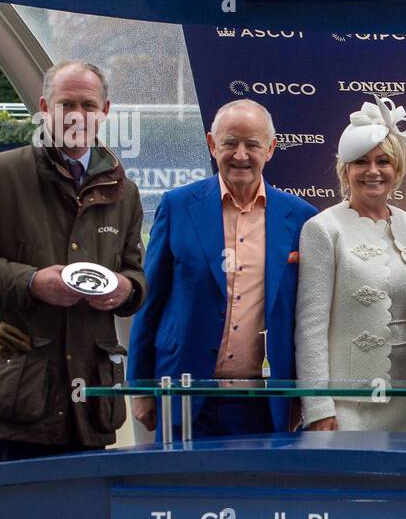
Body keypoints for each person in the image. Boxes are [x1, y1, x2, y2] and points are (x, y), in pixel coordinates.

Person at [0, 60, 146, 462]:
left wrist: (127, 289)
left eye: (88, 105)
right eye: (66, 104)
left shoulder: (125, 191)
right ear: (44, 108)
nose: (77, 116)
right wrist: (32, 282)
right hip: (18, 397)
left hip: (91, 403)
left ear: (105, 111)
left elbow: (135, 272)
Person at [128, 99, 318, 439]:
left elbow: (308, 319)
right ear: (212, 144)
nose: (241, 154)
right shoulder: (177, 206)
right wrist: (140, 387)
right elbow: (150, 301)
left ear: (271, 149)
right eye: (230, 143)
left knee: (255, 490)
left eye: (253, 144)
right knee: (181, 490)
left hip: (263, 401)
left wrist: (303, 399)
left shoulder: (301, 218)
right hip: (184, 391)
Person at [295, 98, 406, 432]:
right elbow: (310, 328)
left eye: (383, 161)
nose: (373, 171)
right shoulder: (323, 229)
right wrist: (318, 406)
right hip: (347, 404)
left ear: (397, 169)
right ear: (345, 169)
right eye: (361, 162)